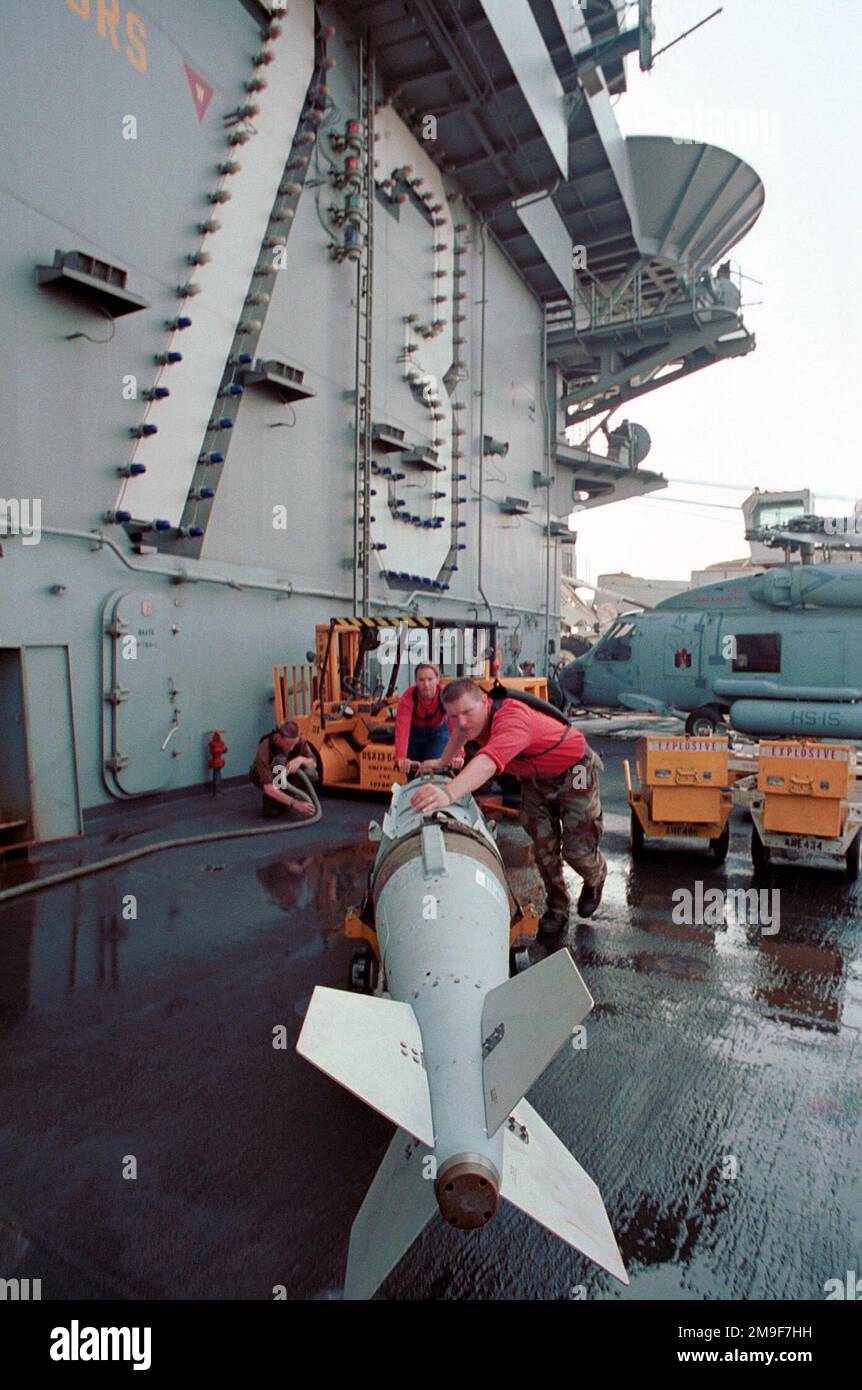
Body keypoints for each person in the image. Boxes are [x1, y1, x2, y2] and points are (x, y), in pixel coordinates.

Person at [411, 678, 606, 933]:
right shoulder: (467, 721)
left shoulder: (512, 720)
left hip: (576, 770)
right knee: (543, 846)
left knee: (577, 849)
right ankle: (557, 908)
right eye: (453, 715)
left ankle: (596, 875)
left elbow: (488, 762)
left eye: (467, 713)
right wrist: (441, 762)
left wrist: (448, 793)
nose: (461, 722)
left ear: (484, 701)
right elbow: (459, 733)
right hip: (535, 777)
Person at [394, 662, 462, 773]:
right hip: (414, 736)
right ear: (415, 681)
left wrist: (459, 754)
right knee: (412, 773)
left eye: (430, 679)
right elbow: (402, 730)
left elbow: (455, 726)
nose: (426, 684)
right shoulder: (408, 698)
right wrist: (401, 758)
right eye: (421, 680)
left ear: (437, 680)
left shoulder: (446, 695)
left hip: (438, 734)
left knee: (433, 771)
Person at [250, 720, 317, 818]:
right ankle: (271, 802)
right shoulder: (265, 747)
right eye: (288, 744)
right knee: (279, 762)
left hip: (285, 773)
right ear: (278, 737)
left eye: (294, 744)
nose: (291, 748)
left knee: (311, 773)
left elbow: (313, 764)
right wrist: (296, 804)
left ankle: (285, 798)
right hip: (264, 775)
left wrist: (300, 760)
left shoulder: (299, 741)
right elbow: (268, 787)